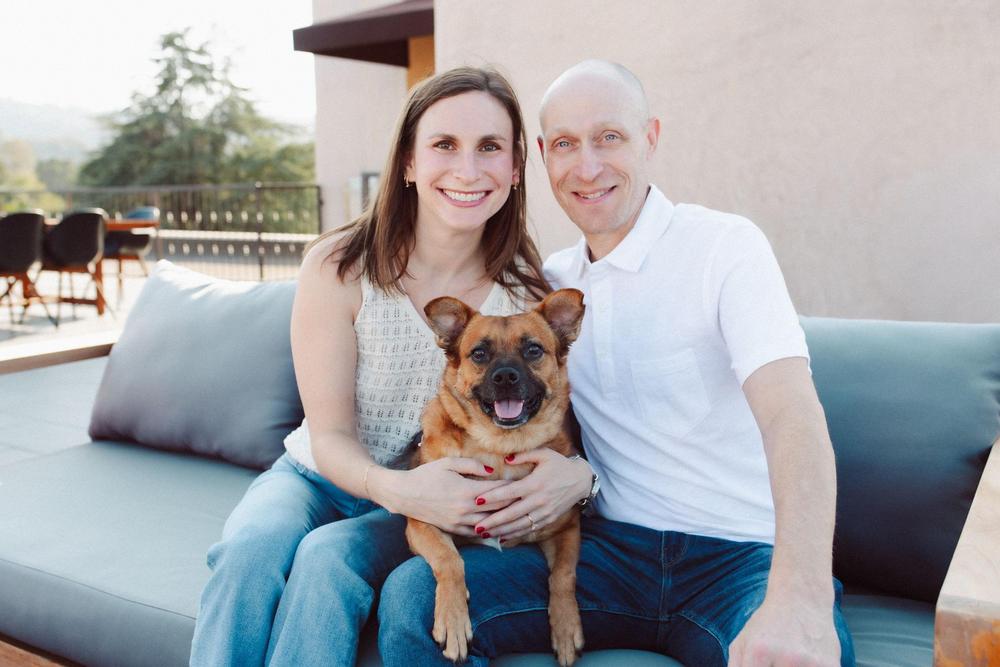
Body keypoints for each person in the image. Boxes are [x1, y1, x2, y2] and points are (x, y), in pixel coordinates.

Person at [378, 60, 855, 666]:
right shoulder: (548, 285)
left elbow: (794, 418)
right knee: (413, 599)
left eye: (609, 137)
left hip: (739, 559)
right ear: (543, 157)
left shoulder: (724, 247)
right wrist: (579, 476)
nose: (588, 167)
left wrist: (801, 596)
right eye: (566, 144)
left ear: (650, 137)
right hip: (610, 556)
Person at [189, 66, 556, 666]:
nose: (468, 170)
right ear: (408, 162)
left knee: (328, 563)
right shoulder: (338, 266)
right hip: (317, 476)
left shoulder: (526, 299)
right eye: (444, 144)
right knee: (247, 553)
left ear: (515, 168)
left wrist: (574, 481)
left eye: (490, 147)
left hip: (431, 496)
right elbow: (330, 435)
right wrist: (398, 489)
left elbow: (555, 428)